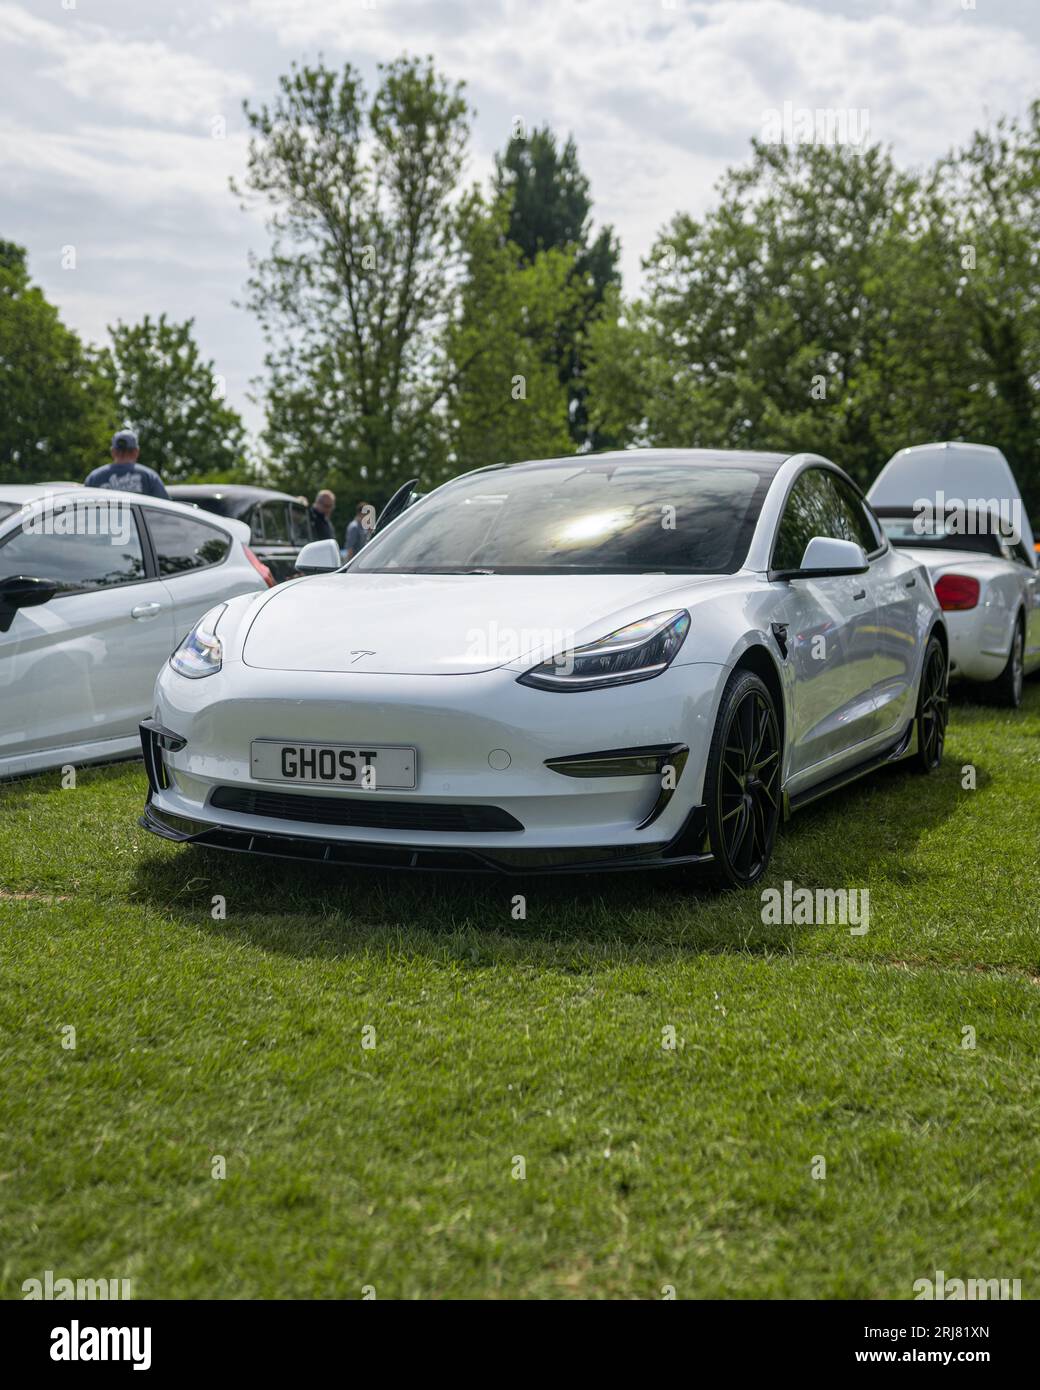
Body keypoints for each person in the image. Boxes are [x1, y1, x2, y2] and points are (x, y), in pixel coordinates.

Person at [84, 430, 169, 498]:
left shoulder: (94, 478)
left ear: (113, 452)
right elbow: (166, 510)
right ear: (136, 452)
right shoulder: (150, 477)